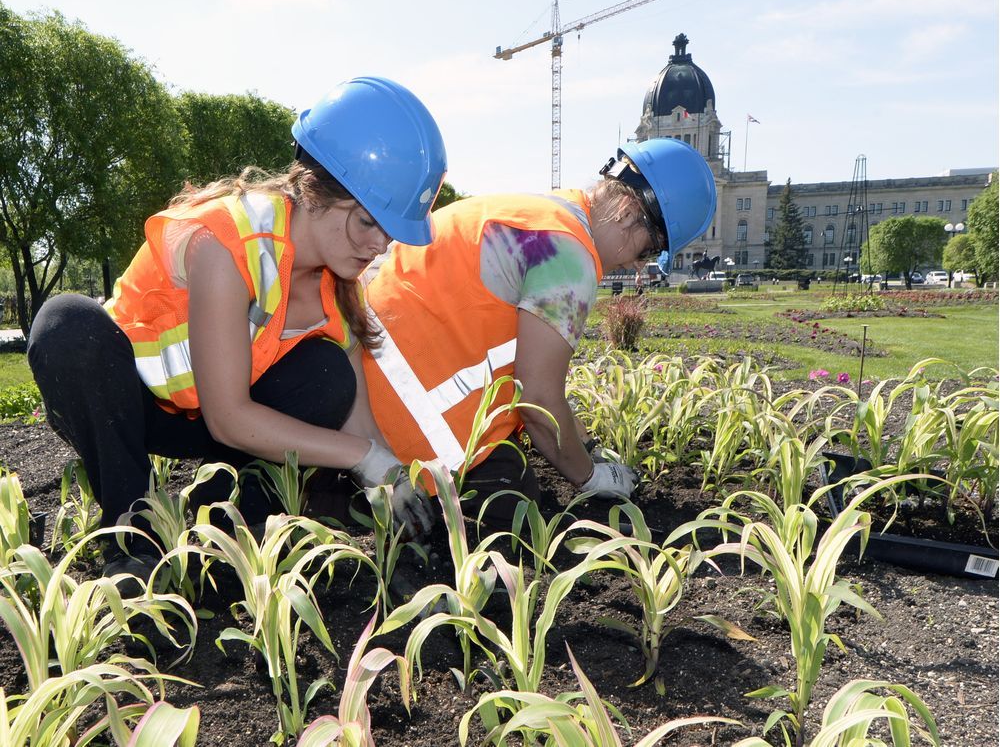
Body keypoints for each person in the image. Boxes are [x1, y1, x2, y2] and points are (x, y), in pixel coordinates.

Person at [27, 77, 445, 581]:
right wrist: (363, 458)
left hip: (210, 427)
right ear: (314, 190)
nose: (379, 245)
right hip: (130, 407)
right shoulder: (230, 240)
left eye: (390, 231)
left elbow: (361, 426)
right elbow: (230, 418)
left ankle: (224, 527)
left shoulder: (339, 287)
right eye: (367, 222)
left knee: (328, 374)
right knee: (66, 324)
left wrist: (395, 478)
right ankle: (131, 534)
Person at [360, 138, 717, 526]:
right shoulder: (569, 257)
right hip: (399, 420)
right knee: (514, 505)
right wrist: (590, 475)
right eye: (648, 250)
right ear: (628, 212)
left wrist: (587, 445)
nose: (637, 265)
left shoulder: (548, 216)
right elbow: (539, 402)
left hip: (359, 387)